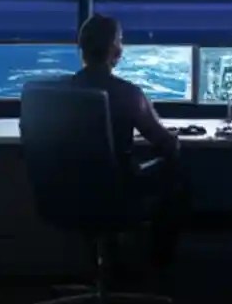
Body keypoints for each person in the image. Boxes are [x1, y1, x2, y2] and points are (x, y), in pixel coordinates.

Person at [65, 14, 188, 271]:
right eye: (120, 40)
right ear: (114, 49)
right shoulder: (128, 93)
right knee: (177, 175)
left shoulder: (60, 93)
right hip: (117, 193)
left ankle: (110, 263)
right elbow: (165, 143)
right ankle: (157, 268)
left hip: (66, 192)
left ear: (82, 48)